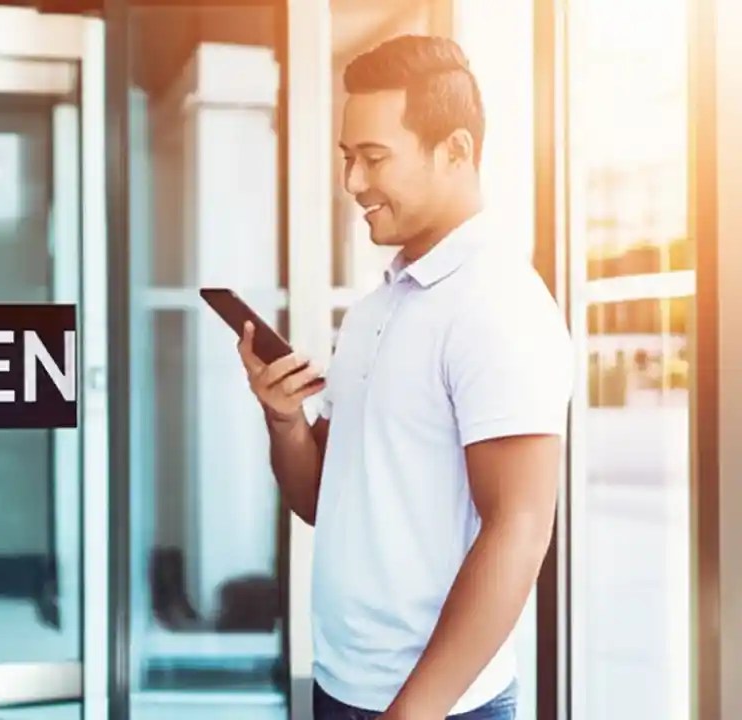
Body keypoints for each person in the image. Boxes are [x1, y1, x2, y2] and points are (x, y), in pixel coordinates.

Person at [236, 35, 573, 720]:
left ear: (456, 151)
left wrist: (412, 713)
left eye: (374, 158)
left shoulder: (498, 303)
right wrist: (283, 419)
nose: (353, 183)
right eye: (347, 158)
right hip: (342, 686)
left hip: (438, 709)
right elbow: (322, 501)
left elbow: (521, 526)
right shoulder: (375, 310)